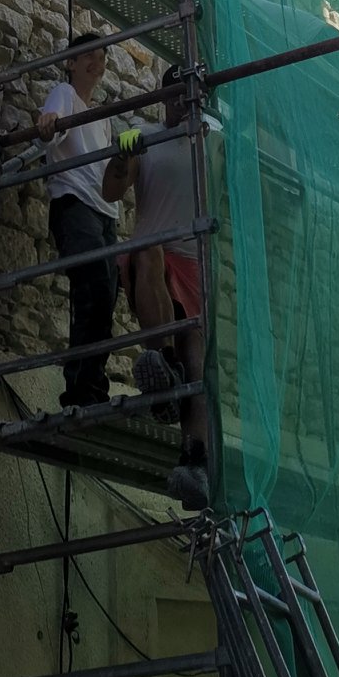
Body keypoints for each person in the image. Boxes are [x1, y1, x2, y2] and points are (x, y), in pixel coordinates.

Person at [101, 66, 209, 510]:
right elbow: (110, 190)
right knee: (145, 250)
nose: (182, 101)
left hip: (193, 260)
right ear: (164, 94)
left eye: (189, 94)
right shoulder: (142, 134)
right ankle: (161, 364)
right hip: (154, 254)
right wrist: (123, 156)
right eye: (175, 92)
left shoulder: (206, 139)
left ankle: (195, 460)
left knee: (197, 362)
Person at [37, 33, 119, 409]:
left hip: (103, 212)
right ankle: (81, 387)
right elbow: (50, 124)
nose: (95, 60)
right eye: (87, 54)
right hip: (74, 202)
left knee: (104, 296)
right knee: (94, 288)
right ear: (70, 62)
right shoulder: (63, 94)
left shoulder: (102, 118)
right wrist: (50, 121)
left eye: (100, 55)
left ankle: (92, 385)